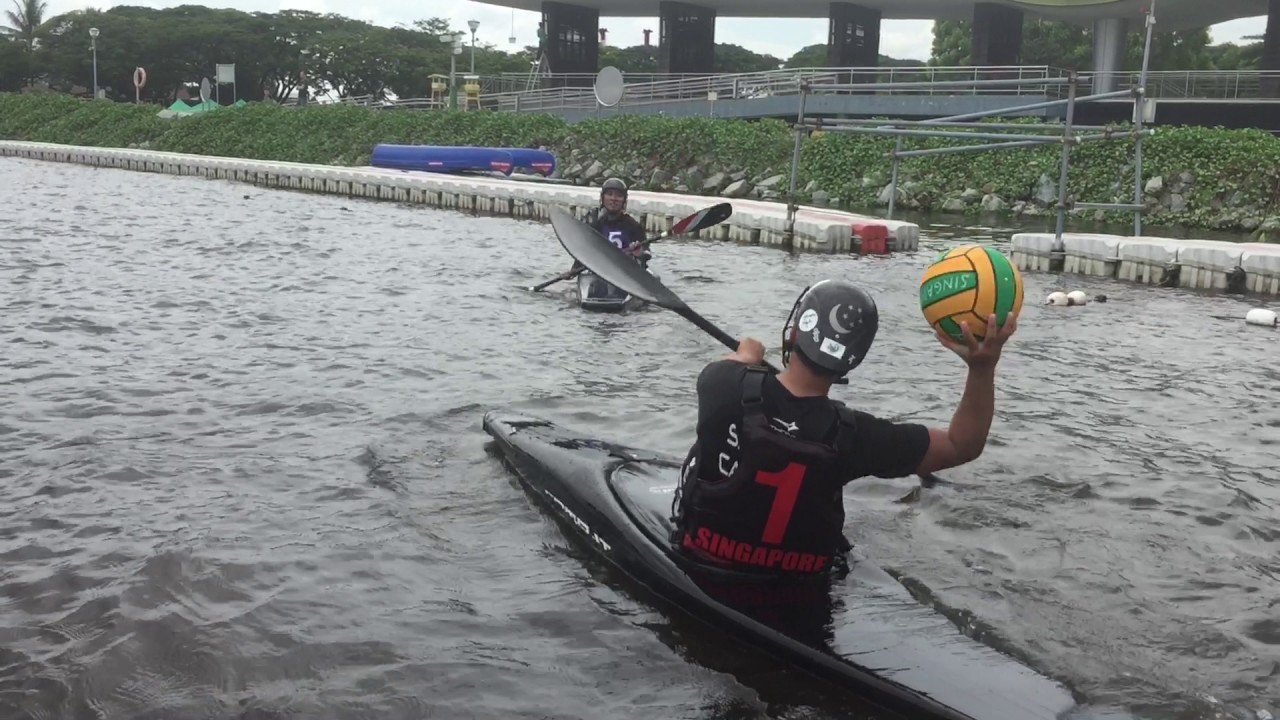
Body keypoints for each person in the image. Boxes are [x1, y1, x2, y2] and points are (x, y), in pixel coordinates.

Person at [670, 279, 1018, 577]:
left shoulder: (723, 384)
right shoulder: (858, 435)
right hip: (797, 588)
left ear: (794, 332)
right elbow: (962, 445)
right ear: (855, 358)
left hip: (702, 562)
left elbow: (737, 362)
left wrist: (748, 352)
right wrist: (982, 368)